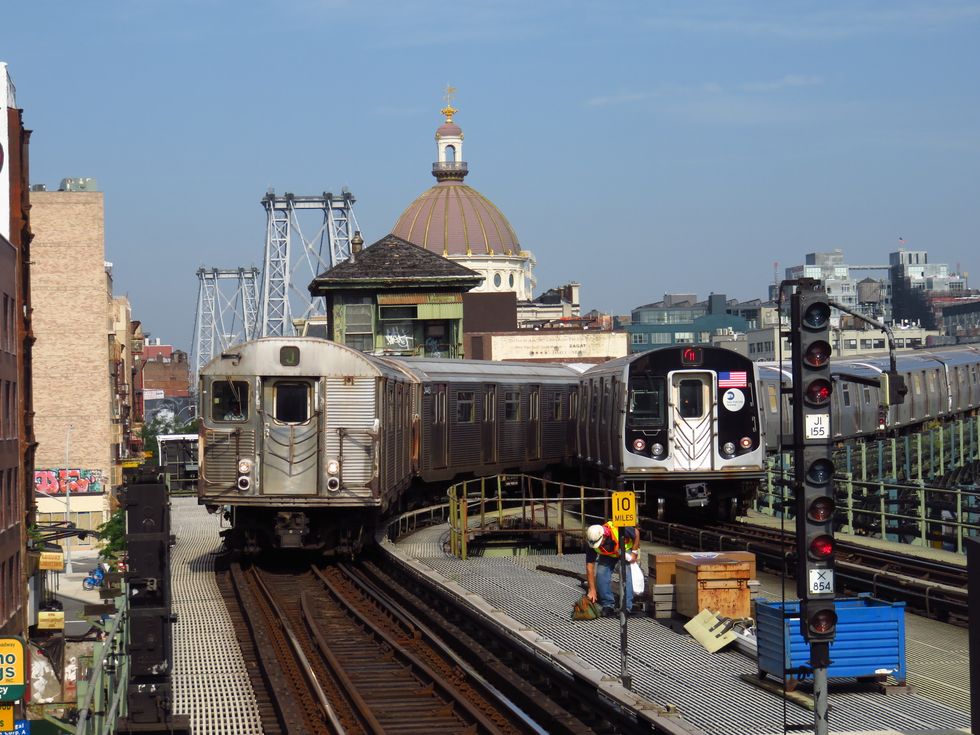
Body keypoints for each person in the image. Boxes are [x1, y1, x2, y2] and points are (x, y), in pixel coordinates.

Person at [585, 522, 640, 617]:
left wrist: (634, 552)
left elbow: (636, 533)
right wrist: (592, 589)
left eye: (599, 543)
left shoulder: (618, 529)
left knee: (626, 573)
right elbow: (590, 566)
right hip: (608, 555)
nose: (597, 546)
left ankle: (626, 607)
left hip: (624, 550)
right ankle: (608, 604)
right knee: (601, 574)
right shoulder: (592, 541)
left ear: (604, 536)